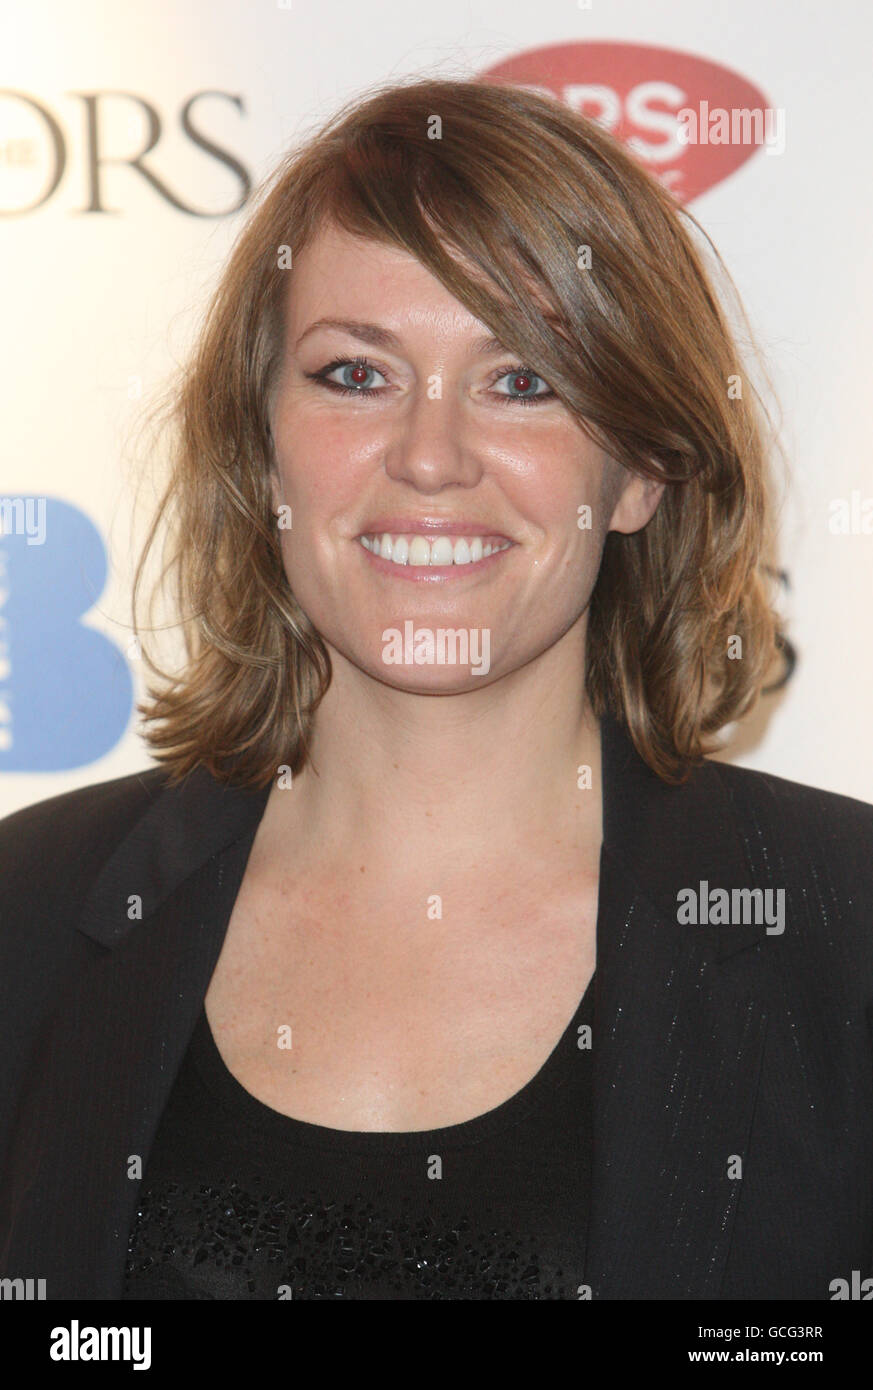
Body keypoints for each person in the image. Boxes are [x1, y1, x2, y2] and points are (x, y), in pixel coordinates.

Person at [1, 76, 871, 1302]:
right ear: (261, 446)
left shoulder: (844, 929)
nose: (428, 455)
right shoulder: (30, 912)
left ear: (642, 470)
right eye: (356, 374)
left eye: (522, 381)